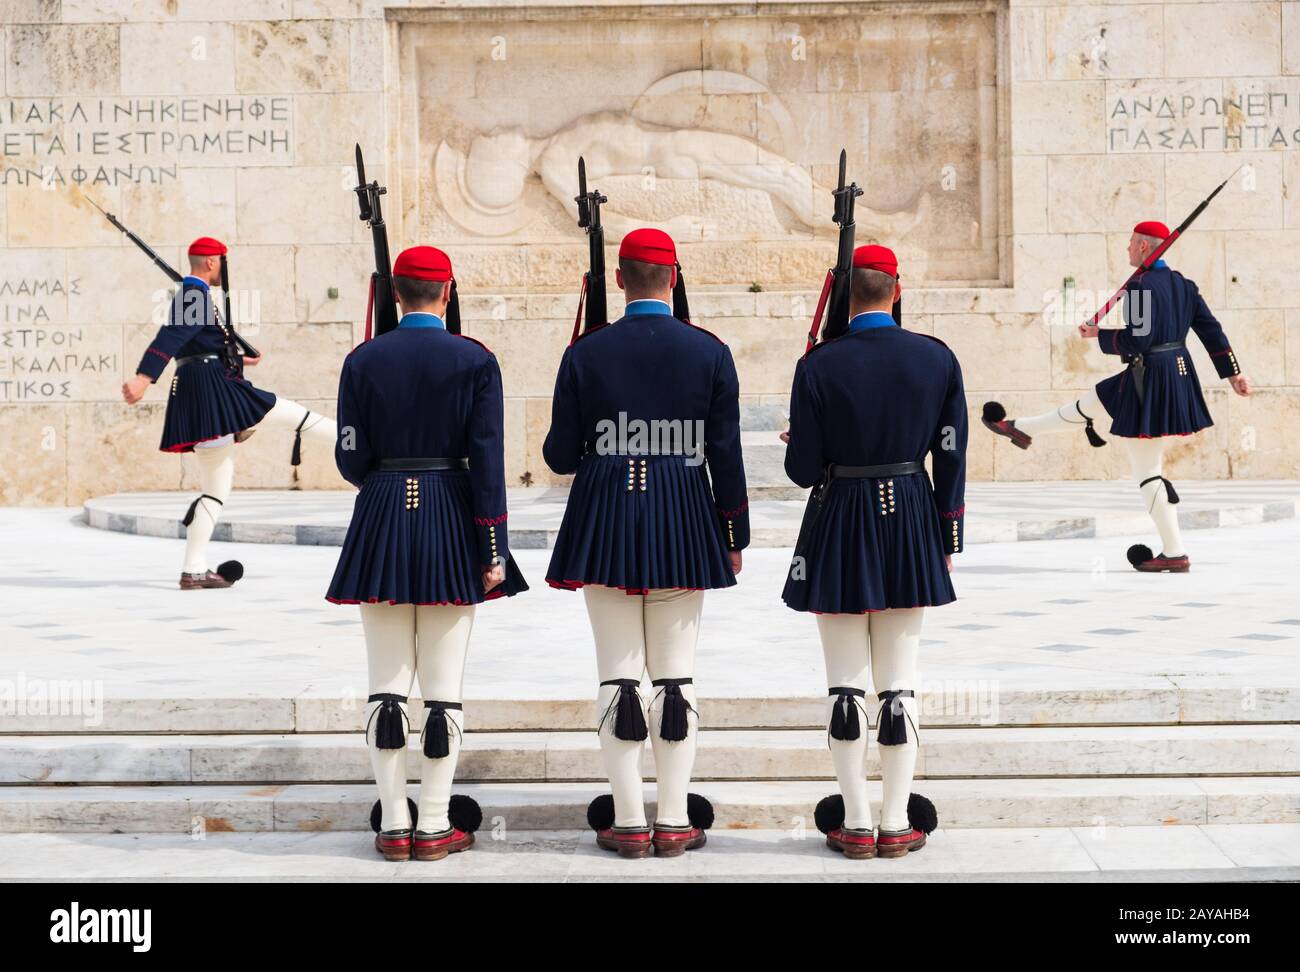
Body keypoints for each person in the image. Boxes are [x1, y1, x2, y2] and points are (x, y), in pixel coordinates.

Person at [543, 228, 748, 857]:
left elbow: (558, 454)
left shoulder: (587, 350)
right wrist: (733, 531)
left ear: (620, 280)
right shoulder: (709, 350)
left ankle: (629, 821)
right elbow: (725, 453)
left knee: (618, 677)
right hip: (685, 510)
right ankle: (676, 818)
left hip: (606, 511)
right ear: (675, 276)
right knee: (676, 678)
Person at [325, 245, 527, 861]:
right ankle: (435, 824)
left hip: (382, 510)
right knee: (443, 687)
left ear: (395, 295)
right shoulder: (475, 359)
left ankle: (392, 823)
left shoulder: (362, 359)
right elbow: (488, 462)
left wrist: (388, 483)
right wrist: (492, 542)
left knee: (385, 685)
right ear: (448, 291)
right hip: (451, 513)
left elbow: (349, 456)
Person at [783, 245, 959, 860]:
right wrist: (948, 535)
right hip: (911, 511)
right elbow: (952, 452)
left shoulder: (820, 364)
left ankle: (855, 822)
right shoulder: (935, 358)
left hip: (841, 516)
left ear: (842, 296)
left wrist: (803, 439)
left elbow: (803, 470)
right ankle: (896, 821)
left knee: (845, 687)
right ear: (897, 289)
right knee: (900, 687)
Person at [982, 220, 1253, 572]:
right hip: (1177, 374)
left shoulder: (1141, 286)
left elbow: (1135, 341)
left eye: (1130, 244)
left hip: (1151, 378)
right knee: (1094, 401)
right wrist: (1233, 372)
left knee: (1148, 472)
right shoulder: (1183, 285)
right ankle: (1021, 428)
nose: (1126, 249)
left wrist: (1099, 335)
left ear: (1143, 247)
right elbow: (1210, 330)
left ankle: (1175, 552)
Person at [121, 236, 336, 589]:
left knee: (215, 490)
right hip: (214, 391)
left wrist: (237, 358)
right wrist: (144, 377)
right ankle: (361, 440)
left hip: (203, 389)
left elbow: (196, 342)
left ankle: (193, 570)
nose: (223, 268)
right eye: (221, 261)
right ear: (210, 262)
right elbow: (172, 335)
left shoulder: (197, 294)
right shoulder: (193, 293)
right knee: (294, 415)